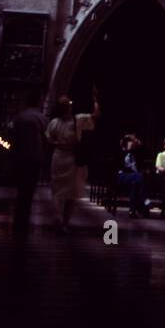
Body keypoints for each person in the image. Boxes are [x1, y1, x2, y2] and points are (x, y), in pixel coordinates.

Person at [45, 91, 100, 233]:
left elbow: (49, 140)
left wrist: (96, 100)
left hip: (70, 159)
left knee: (69, 193)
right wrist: (95, 100)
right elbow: (49, 139)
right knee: (61, 192)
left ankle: (64, 222)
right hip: (61, 158)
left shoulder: (76, 120)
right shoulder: (56, 122)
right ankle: (62, 221)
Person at [10, 89, 46, 233]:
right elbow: (46, 138)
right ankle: (24, 221)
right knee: (29, 191)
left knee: (20, 189)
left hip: (20, 157)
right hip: (35, 158)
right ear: (38, 101)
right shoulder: (41, 118)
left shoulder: (20, 117)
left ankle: (18, 219)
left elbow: (12, 135)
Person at [118, 132, 148, 218]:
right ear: (126, 143)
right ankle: (145, 201)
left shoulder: (137, 153)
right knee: (140, 176)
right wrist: (126, 139)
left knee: (134, 185)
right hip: (122, 176)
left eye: (133, 142)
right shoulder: (121, 152)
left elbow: (146, 152)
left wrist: (137, 142)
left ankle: (132, 211)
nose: (132, 143)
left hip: (135, 178)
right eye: (130, 141)